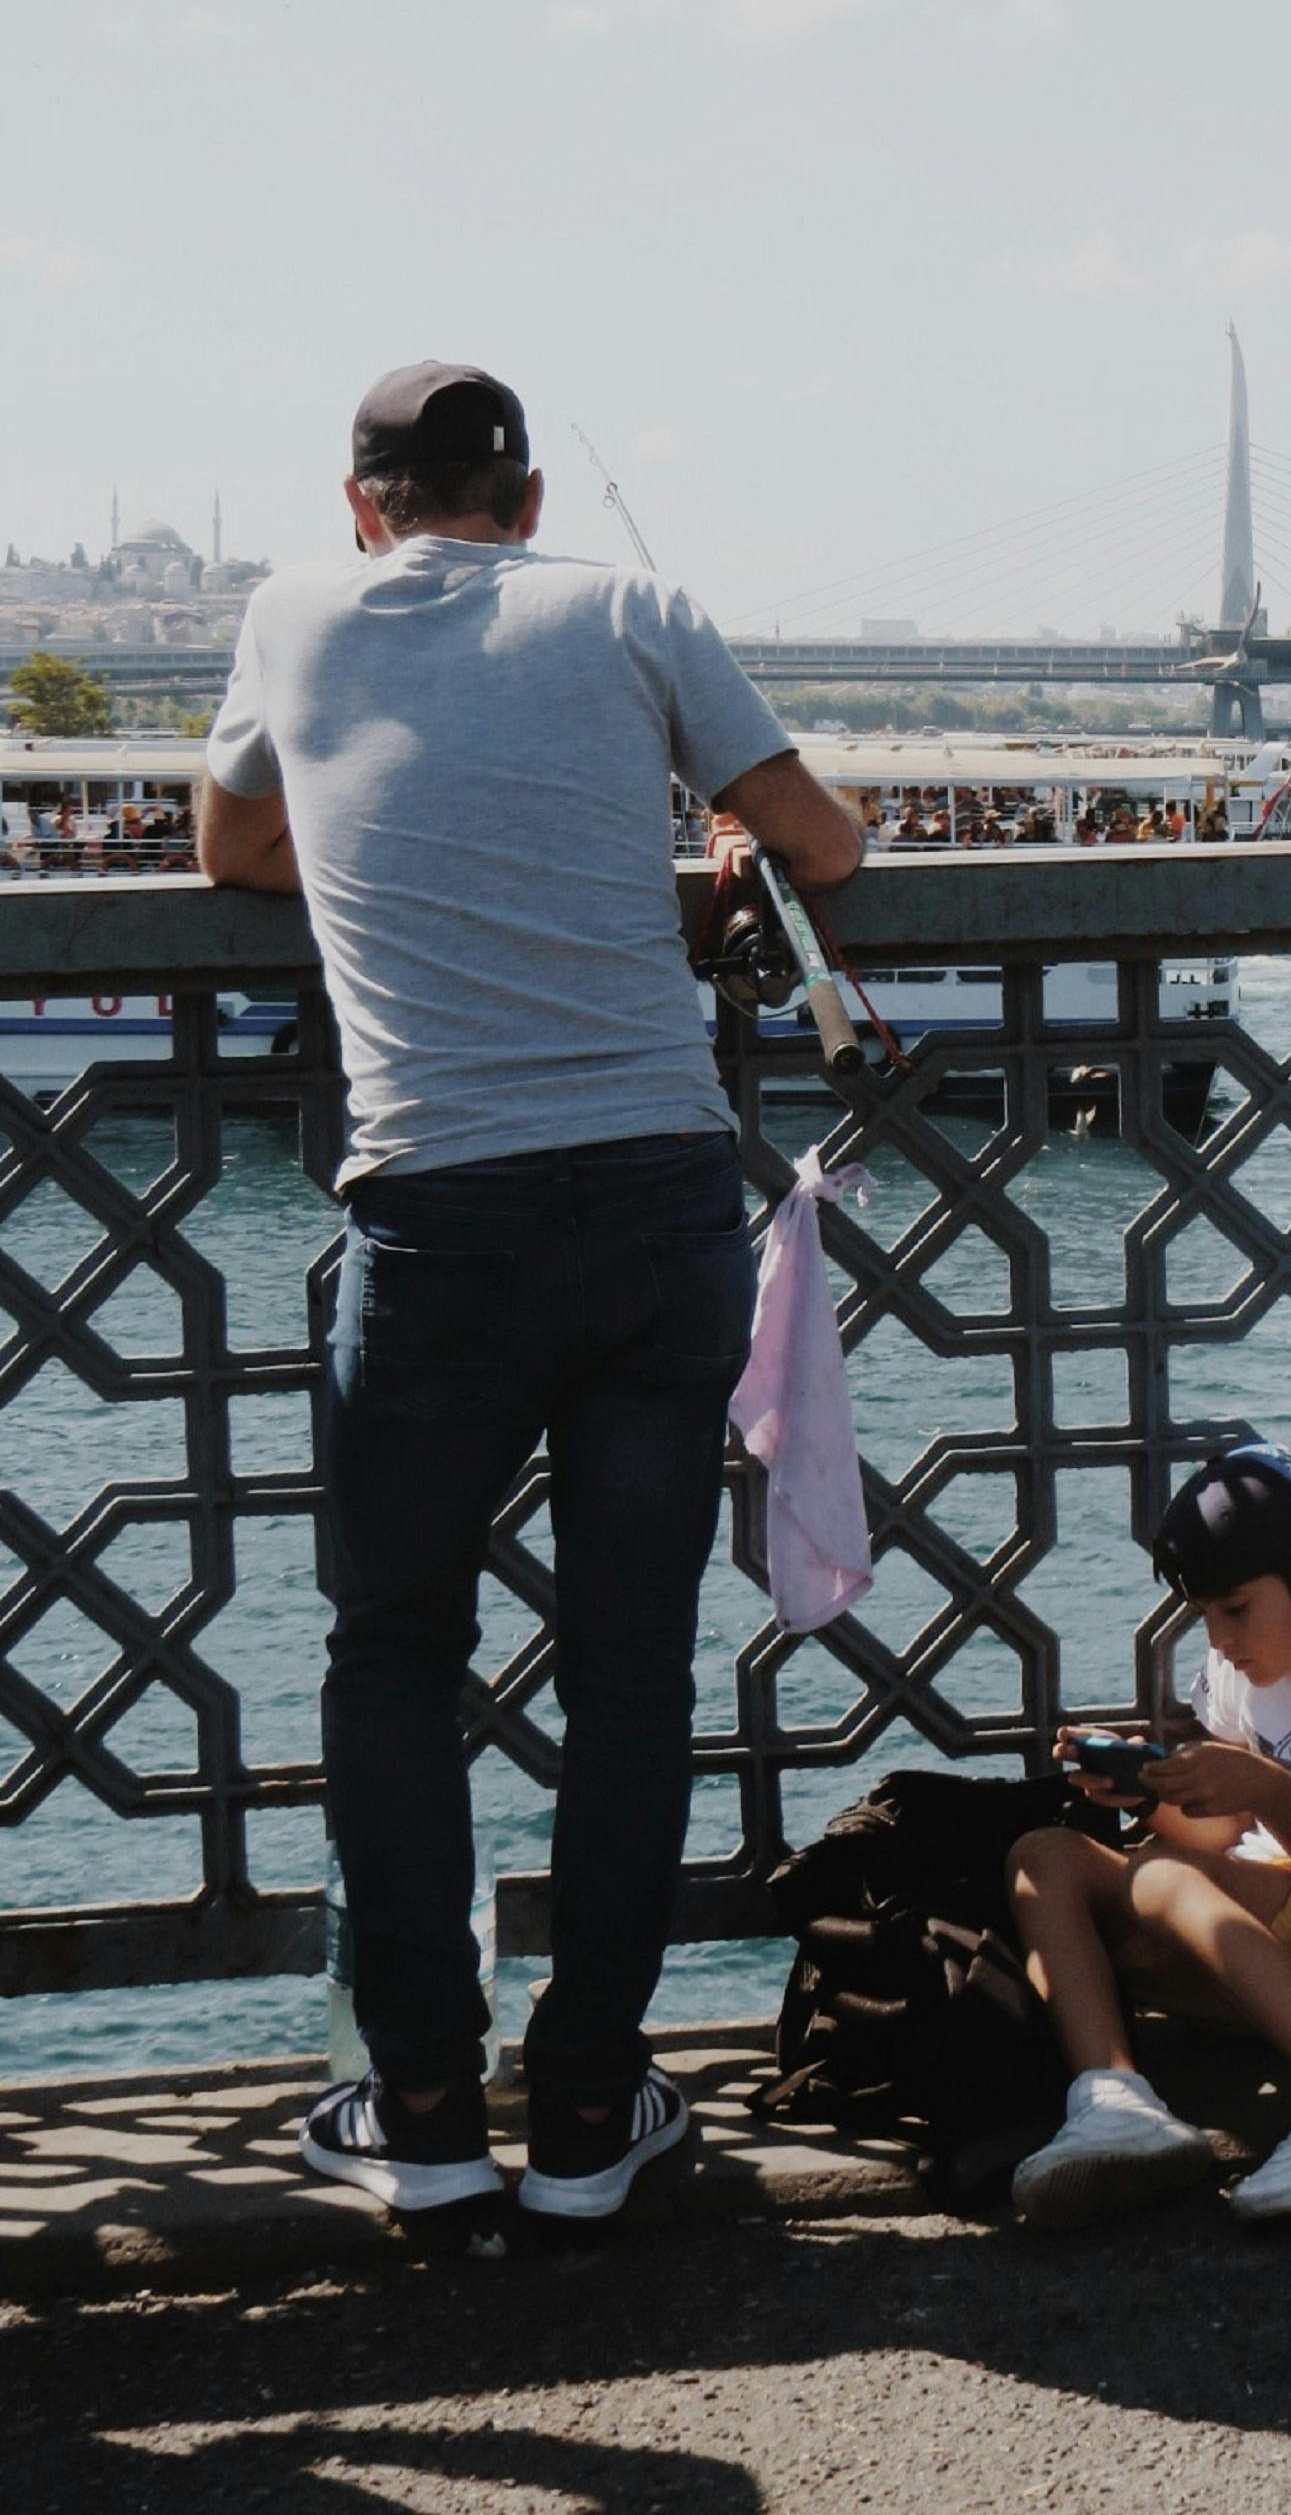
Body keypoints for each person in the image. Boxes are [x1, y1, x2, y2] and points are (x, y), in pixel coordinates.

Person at [196, 361, 863, 2223]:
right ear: (532, 493)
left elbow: (231, 849)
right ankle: (586, 2110)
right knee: (633, 1661)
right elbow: (824, 846)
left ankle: (421, 2112)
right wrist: (699, 861)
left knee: (391, 1655)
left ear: (361, 503)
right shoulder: (631, 605)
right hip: (654, 1205)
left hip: (435, 1218)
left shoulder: (290, 613)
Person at [1003, 1443, 1291, 2227]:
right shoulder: (1242, 1672)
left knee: (1157, 1878)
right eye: (1204, 1617)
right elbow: (1222, 1833)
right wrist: (1146, 1788)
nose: (1219, 1640)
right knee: (1041, 1859)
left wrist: (1262, 1782)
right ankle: (1116, 2103)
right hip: (1257, 1940)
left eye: (1235, 1611)